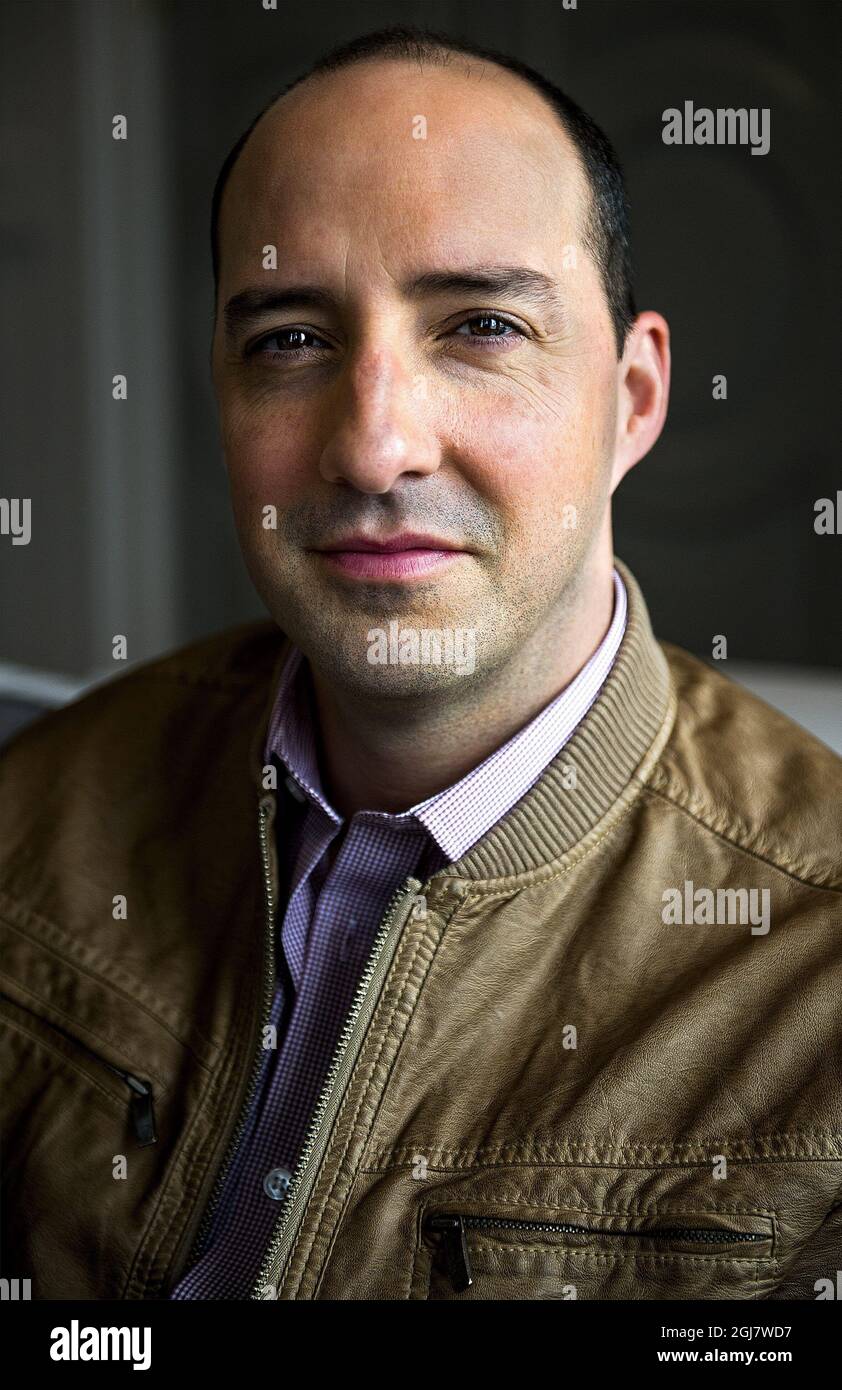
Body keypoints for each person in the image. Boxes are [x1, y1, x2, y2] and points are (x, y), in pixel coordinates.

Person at [1, 25, 840, 1302]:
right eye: (288, 339)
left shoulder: (810, 989)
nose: (374, 445)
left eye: (482, 325)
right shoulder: (36, 802)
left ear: (632, 398)